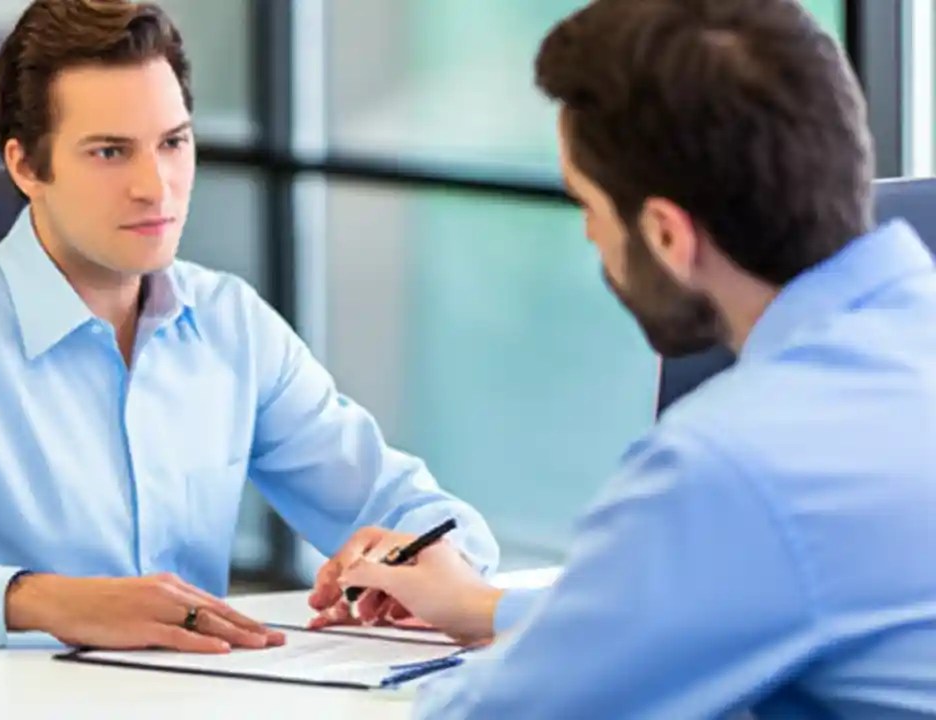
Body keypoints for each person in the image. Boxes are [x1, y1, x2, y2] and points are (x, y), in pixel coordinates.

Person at [0, 0, 497, 653]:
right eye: (107, 152)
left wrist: (413, 558)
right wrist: (42, 601)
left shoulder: (230, 326)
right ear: (26, 165)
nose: (153, 186)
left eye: (173, 143)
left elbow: (432, 518)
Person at [328, 0, 936, 716]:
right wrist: (485, 608)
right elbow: (746, 596)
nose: (590, 239)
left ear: (667, 236)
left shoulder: (735, 468)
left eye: (587, 206)